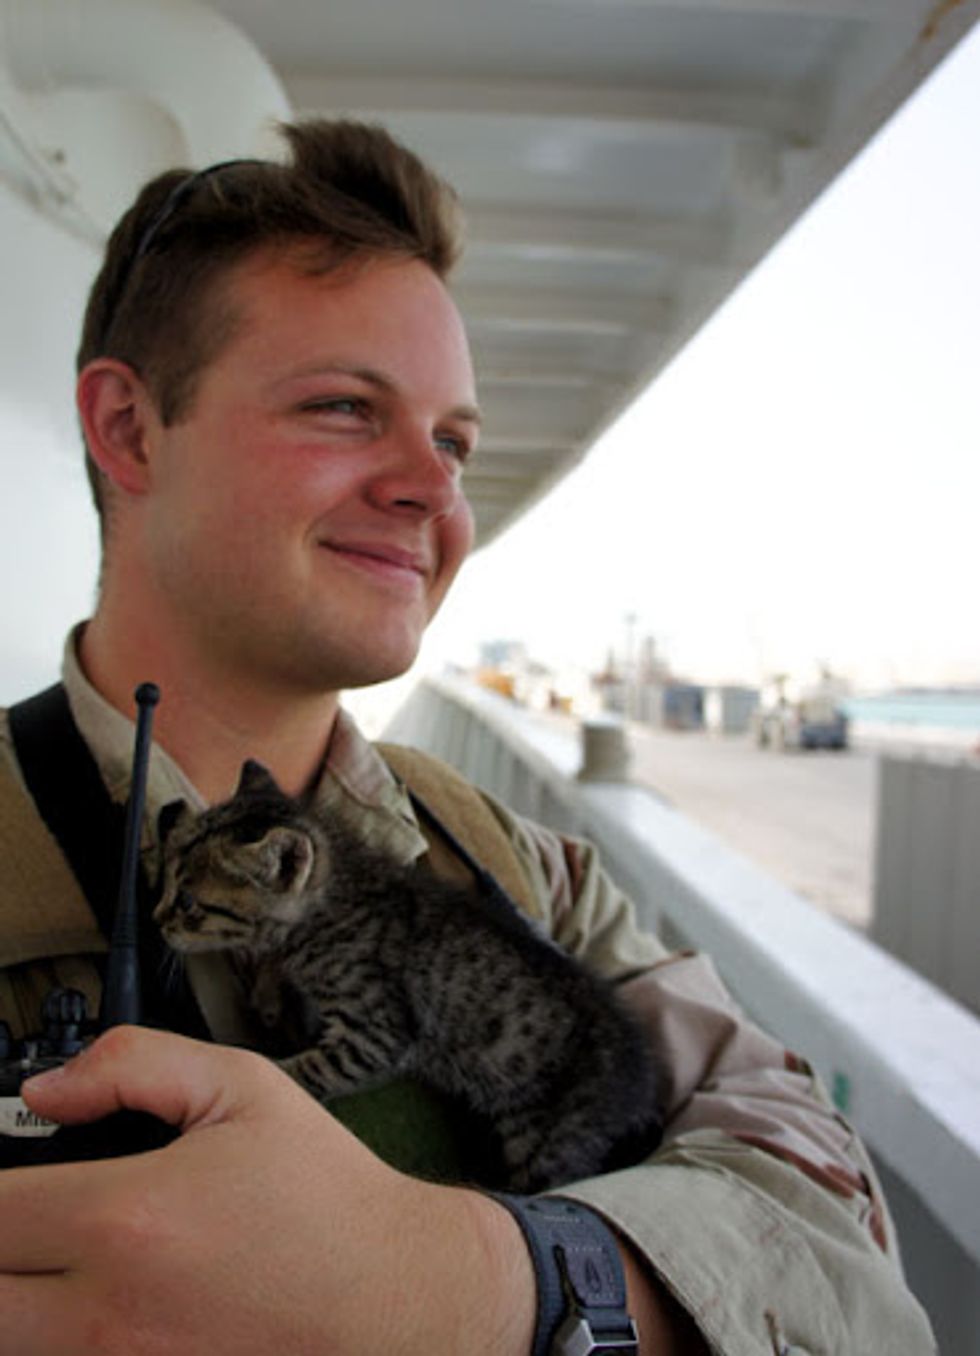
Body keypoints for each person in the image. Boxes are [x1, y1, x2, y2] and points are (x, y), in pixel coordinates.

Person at [0, 119, 935, 1355]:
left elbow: (848, 1247)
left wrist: (488, 1288)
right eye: (344, 408)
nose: (435, 493)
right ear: (128, 431)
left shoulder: (523, 869)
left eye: (453, 441)